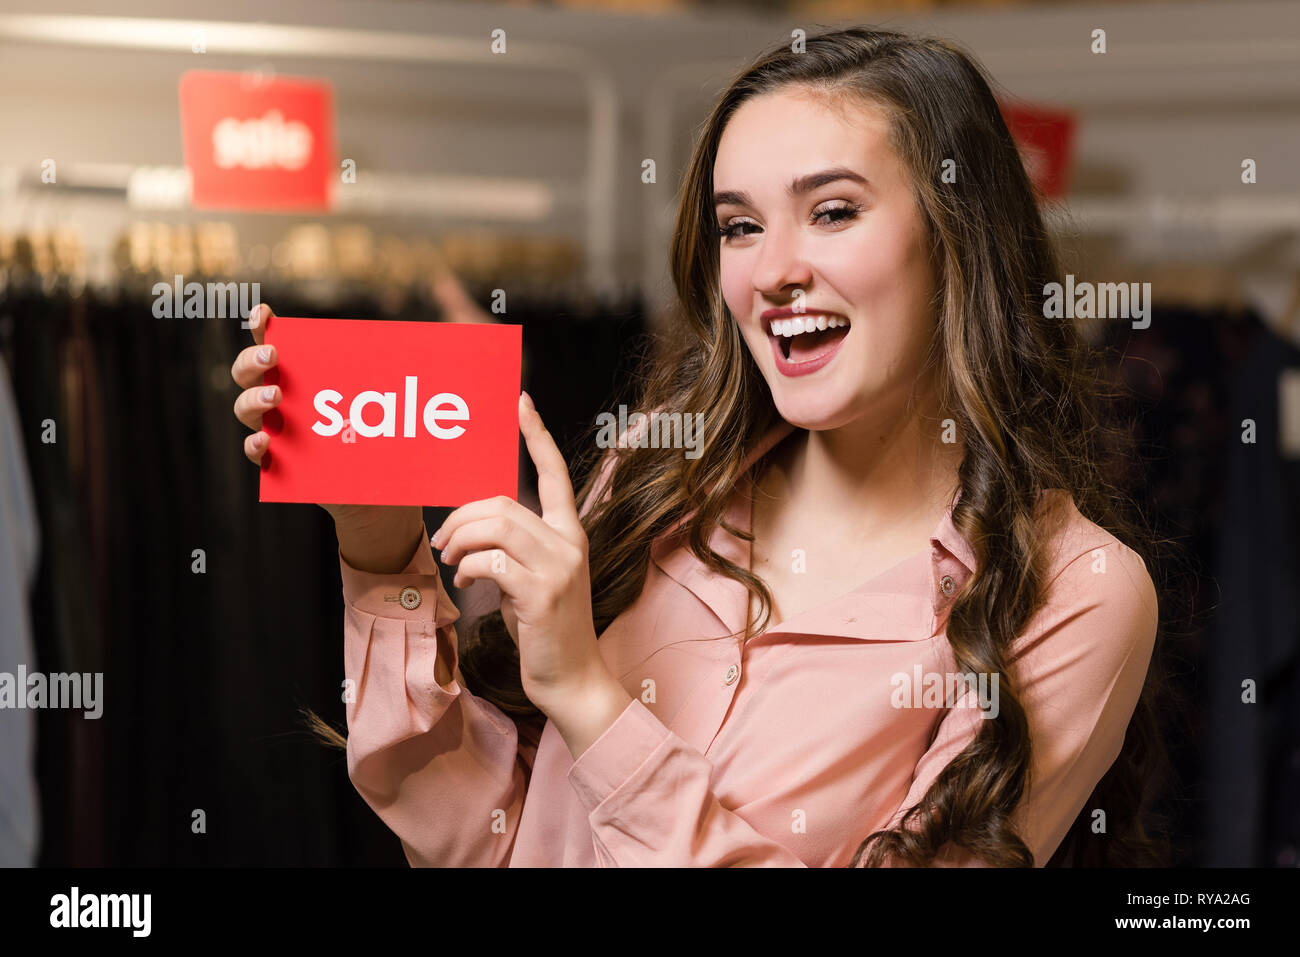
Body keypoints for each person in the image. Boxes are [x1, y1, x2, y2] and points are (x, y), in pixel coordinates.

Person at [230, 27, 1170, 867]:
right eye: (740, 227)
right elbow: (478, 840)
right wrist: (380, 545)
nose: (774, 270)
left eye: (834, 211)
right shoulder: (655, 474)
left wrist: (593, 702)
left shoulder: (1076, 589)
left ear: (959, 239)